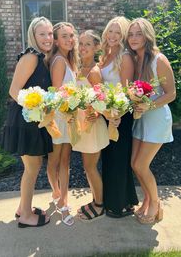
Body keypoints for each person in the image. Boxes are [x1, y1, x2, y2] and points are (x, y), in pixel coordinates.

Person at [1, 16, 53, 228]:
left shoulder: (40, 57)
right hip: (25, 120)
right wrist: (34, 107)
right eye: (42, 34)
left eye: (50, 33)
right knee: (32, 167)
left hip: (30, 118)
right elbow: (14, 91)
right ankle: (25, 216)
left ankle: (24, 207)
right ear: (33, 35)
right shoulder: (31, 57)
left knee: (32, 166)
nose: (48, 38)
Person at [125, 17, 176, 224]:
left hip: (156, 119)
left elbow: (171, 93)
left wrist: (149, 106)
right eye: (131, 34)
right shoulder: (135, 60)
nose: (134, 38)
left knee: (141, 164)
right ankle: (147, 201)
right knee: (134, 164)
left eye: (138, 34)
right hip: (141, 119)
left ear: (147, 36)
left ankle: (155, 204)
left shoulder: (158, 59)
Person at [99, 16, 139, 218]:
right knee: (108, 158)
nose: (112, 35)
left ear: (123, 36)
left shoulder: (124, 57)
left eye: (117, 32)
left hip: (120, 115)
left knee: (118, 159)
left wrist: (116, 114)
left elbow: (126, 92)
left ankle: (120, 204)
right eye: (110, 31)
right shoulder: (105, 54)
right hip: (106, 114)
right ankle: (112, 200)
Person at [73, 30, 109, 221]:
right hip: (81, 125)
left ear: (96, 47)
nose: (83, 48)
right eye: (81, 43)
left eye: (88, 44)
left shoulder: (94, 72)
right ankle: (95, 199)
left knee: (90, 167)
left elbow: (101, 101)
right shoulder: (80, 68)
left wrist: (96, 111)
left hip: (92, 127)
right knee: (87, 167)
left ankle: (99, 205)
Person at [46, 22, 78, 226]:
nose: (69, 39)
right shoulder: (58, 60)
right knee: (54, 161)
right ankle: (58, 194)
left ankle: (63, 198)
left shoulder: (69, 60)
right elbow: (55, 93)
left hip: (69, 117)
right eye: (64, 36)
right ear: (56, 40)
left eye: (71, 35)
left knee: (65, 161)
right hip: (59, 118)